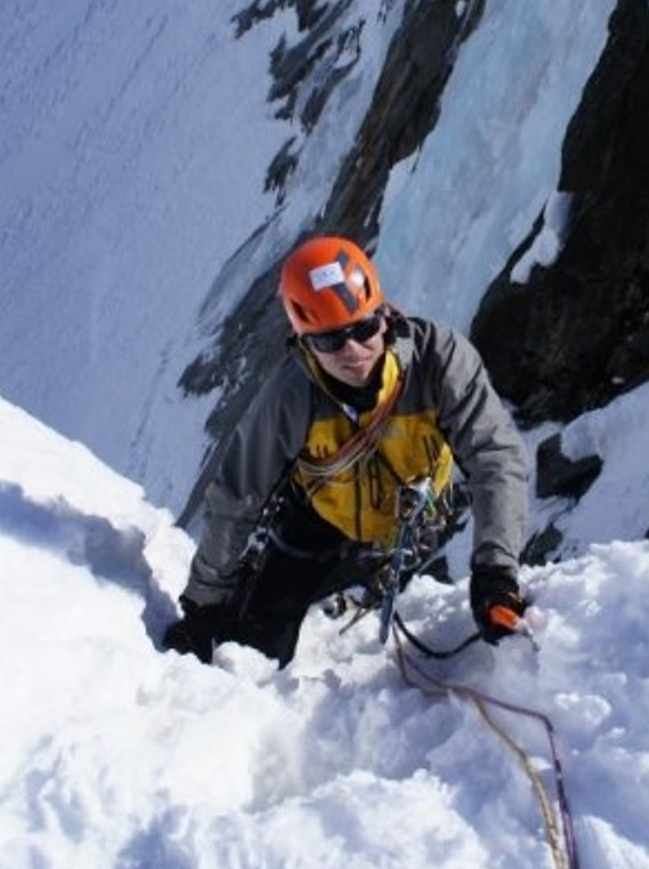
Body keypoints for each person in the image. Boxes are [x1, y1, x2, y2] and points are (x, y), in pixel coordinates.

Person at [163, 235, 530, 666]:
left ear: (384, 316)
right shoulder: (290, 397)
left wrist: (496, 571)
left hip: (423, 518)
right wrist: (202, 608)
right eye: (330, 340)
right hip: (319, 521)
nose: (353, 351)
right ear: (304, 343)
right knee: (249, 651)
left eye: (363, 328)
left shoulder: (439, 360)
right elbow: (236, 500)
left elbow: (494, 455)